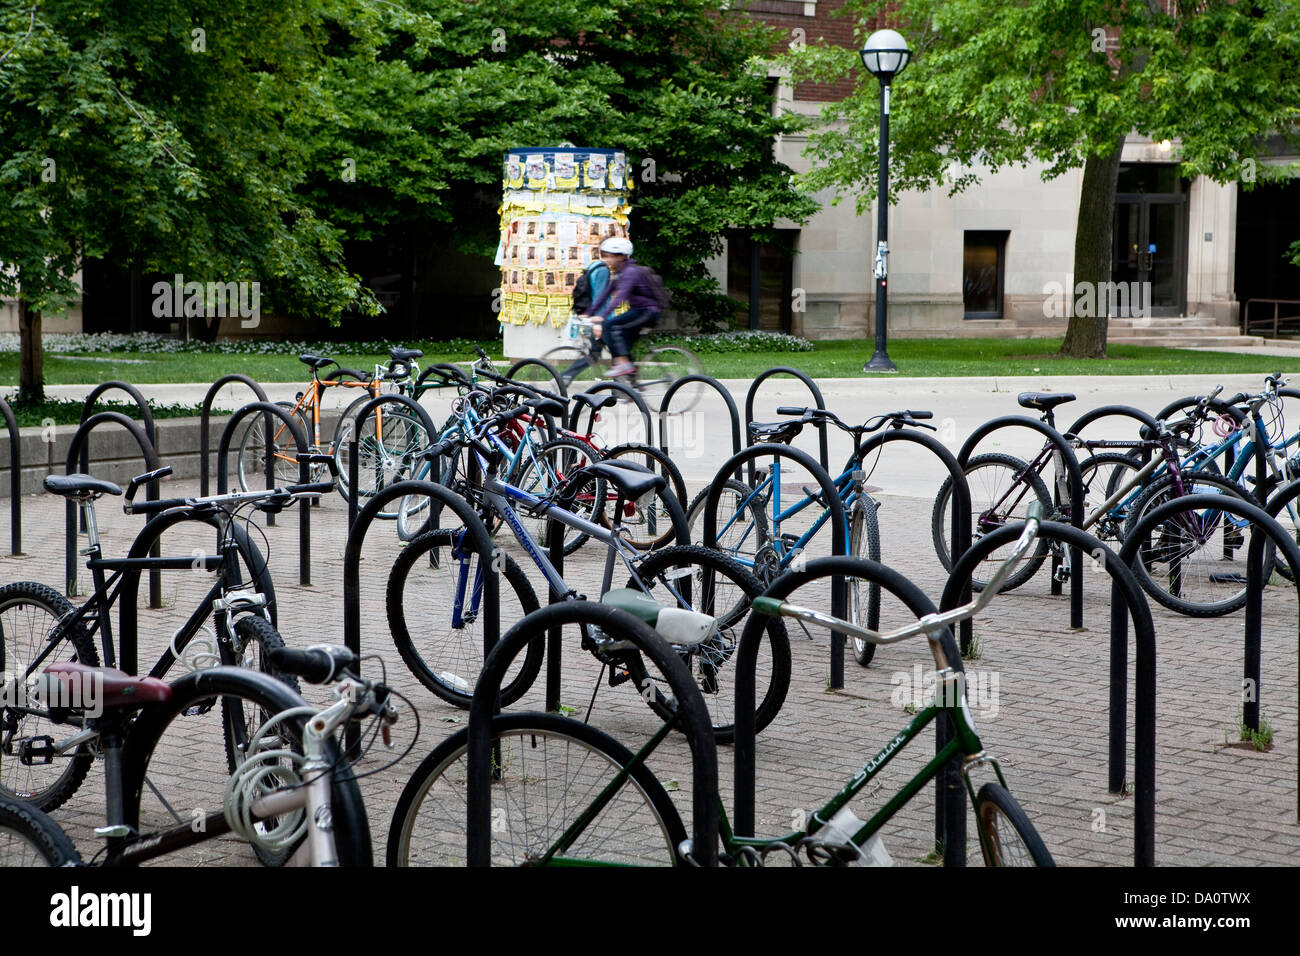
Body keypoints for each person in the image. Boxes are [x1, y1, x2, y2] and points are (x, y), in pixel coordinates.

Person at [587, 237, 662, 377]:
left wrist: (603, 316)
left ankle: (623, 365)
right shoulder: (618, 273)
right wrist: (589, 312)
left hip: (647, 311)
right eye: (605, 256)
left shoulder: (630, 272)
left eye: (611, 256)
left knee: (610, 325)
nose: (607, 260)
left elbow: (620, 296)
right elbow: (605, 294)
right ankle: (633, 382)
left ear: (622, 257)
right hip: (638, 311)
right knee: (623, 345)